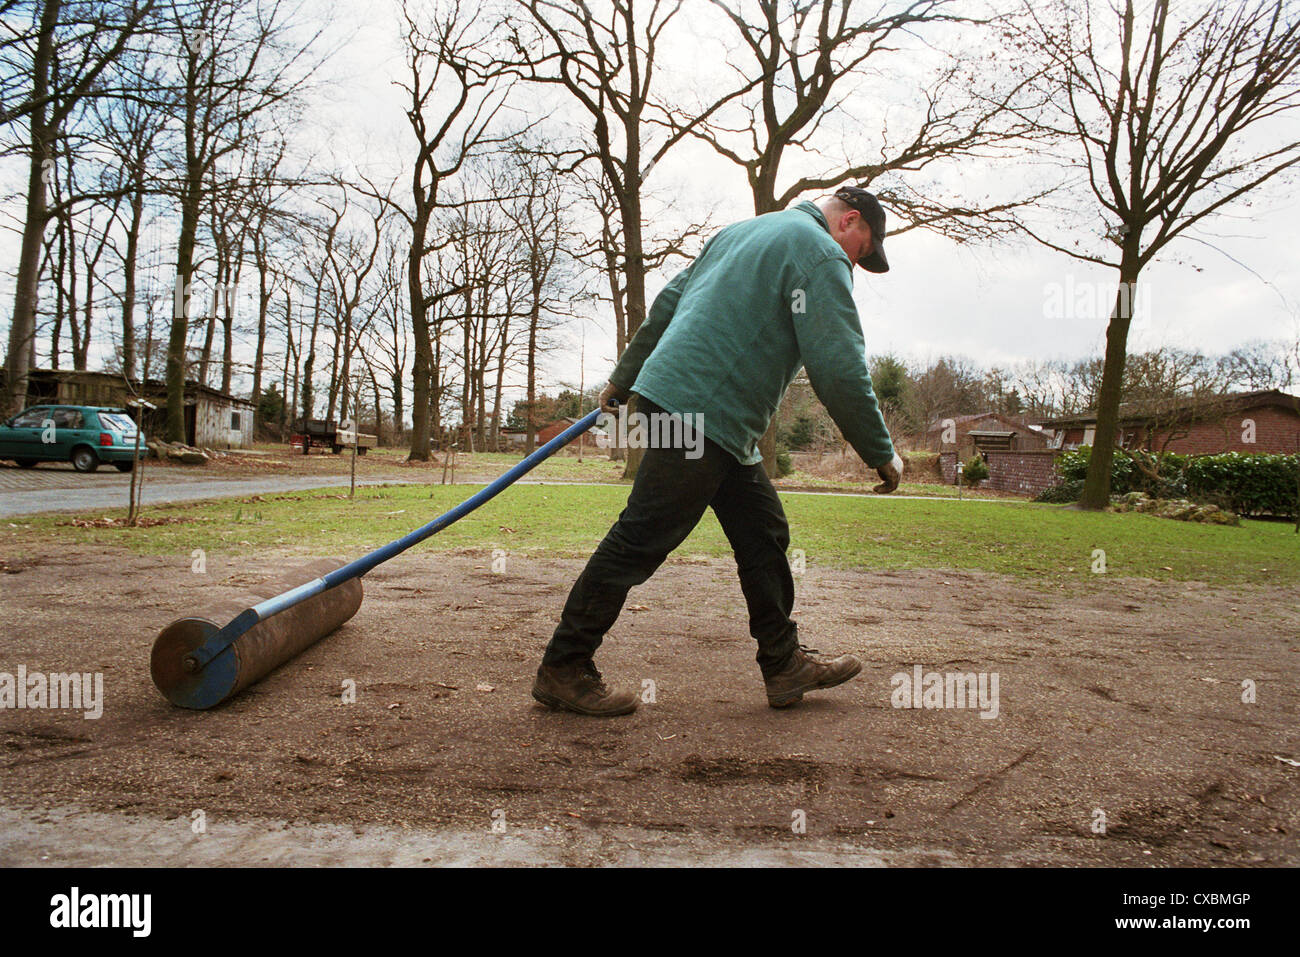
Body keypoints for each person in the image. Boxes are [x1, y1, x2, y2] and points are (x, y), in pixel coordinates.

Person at [531, 185, 904, 716]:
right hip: (703, 413)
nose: (854, 262)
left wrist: (622, 380)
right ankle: (563, 667)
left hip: (702, 416)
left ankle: (783, 663)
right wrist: (880, 452)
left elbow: (666, 305)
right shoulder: (820, 253)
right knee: (641, 536)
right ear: (848, 222)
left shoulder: (740, 232)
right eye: (861, 250)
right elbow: (839, 365)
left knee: (763, 532)